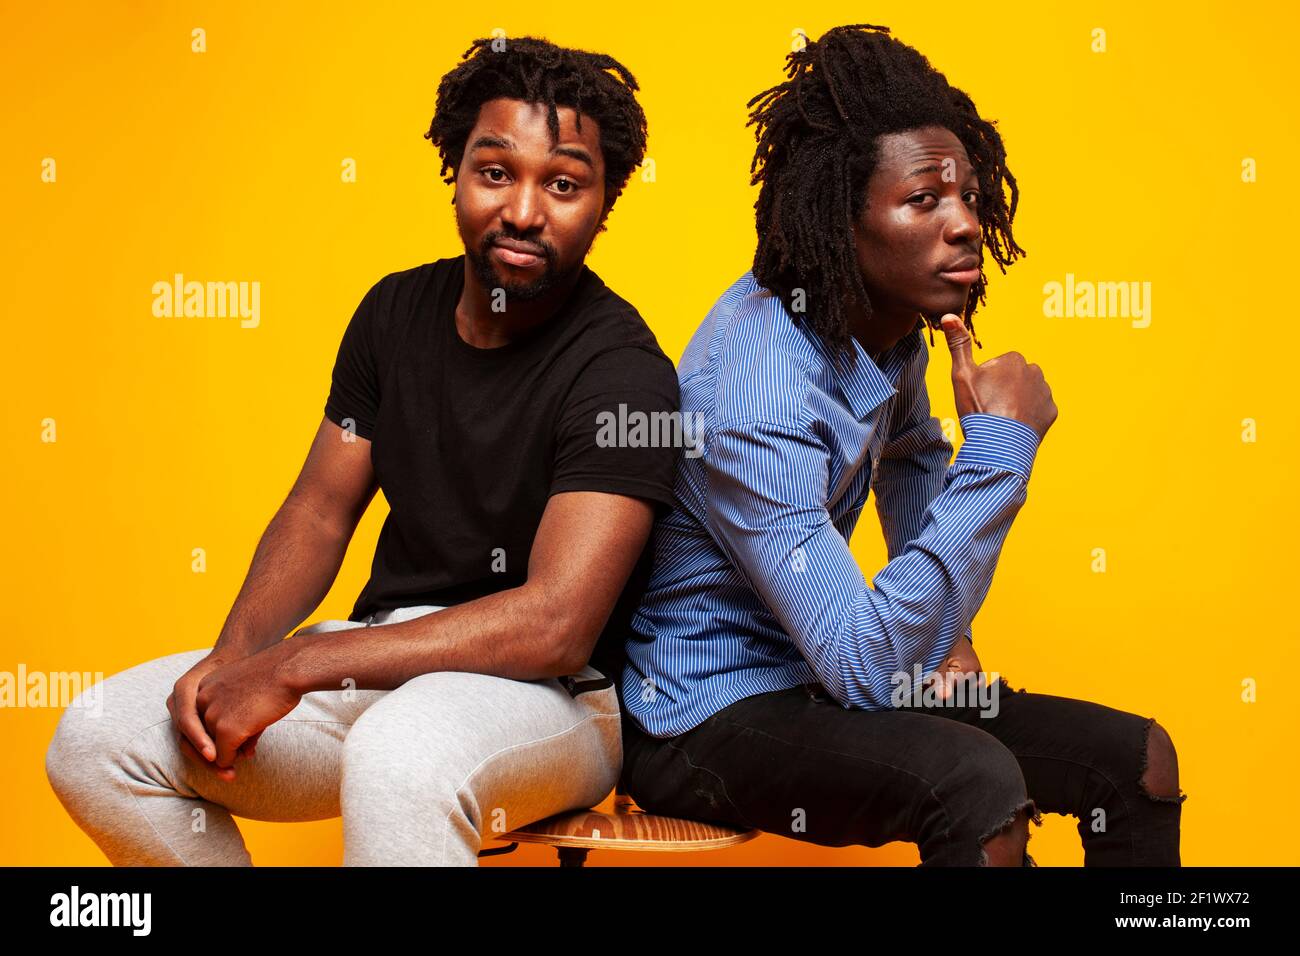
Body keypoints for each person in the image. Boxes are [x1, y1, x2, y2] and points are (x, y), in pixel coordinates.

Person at [44, 35, 681, 866]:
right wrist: (237, 659)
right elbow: (319, 510)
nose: (524, 211)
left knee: (401, 754)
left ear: (604, 202)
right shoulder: (393, 313)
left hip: (551, 704)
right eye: (496, 172)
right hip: (372, 664)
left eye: (563, 184)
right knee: (99, 742)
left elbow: (556, 624)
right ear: (454, 168)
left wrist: (297, 667)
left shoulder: (623, 369)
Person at [618, 23, 1186, 866]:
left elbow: (914, 461)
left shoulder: (886, 330)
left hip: (823, 677)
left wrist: (950, 644)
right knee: (978, 787)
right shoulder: (752, 391)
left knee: (1138, 761)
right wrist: (998, 451)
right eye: (924, 202)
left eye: (965, 196)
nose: (964, 225)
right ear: (840, 221)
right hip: (705, 715)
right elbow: (861, 666)